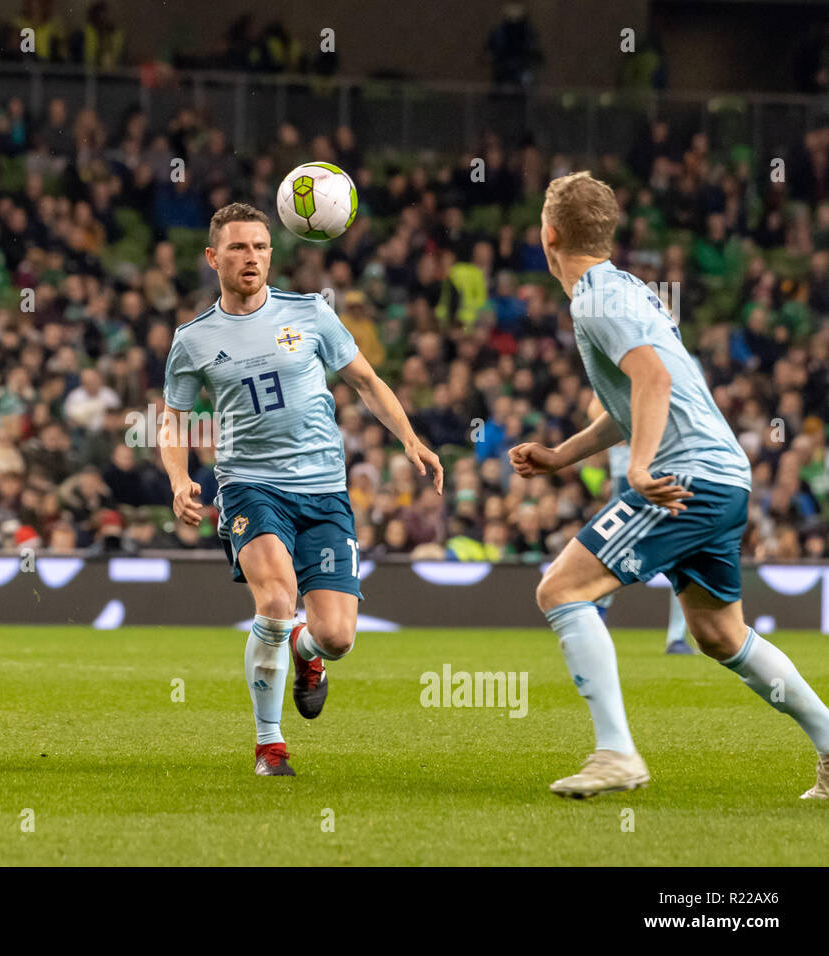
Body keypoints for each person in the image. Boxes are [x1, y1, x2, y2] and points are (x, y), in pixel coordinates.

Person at [509, 172, 829, 799]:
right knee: (718, 634)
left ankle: (617, 754)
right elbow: (637, 394)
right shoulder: (628, 290)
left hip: (688, 477)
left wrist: (638, 466)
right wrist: (563, 456)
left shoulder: (597, 297)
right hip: (723, 475)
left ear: (547, 236)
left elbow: (653, 382)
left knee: (562, 590)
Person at [161, 203, 443, 777]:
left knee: (336, 636)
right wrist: (179, 478)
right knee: (273, 601)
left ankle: (305, 652)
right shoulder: (192, 340)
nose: (252, 257)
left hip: (323, 488)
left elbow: (365, 380)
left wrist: (410, 439)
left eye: (261, 247)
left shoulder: (310, 313)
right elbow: (174, 419)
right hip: (249, 485)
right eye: (239, 248)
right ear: (214, 258)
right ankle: (270, 746)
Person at [587, 396, 692, 654]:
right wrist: (621, 424)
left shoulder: (664, 374)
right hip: (628, 476)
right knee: (615, 554)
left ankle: (677, 637)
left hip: (666, 469)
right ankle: (597, 614)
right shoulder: (618, 370)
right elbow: (595, 407)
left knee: (681, 553)